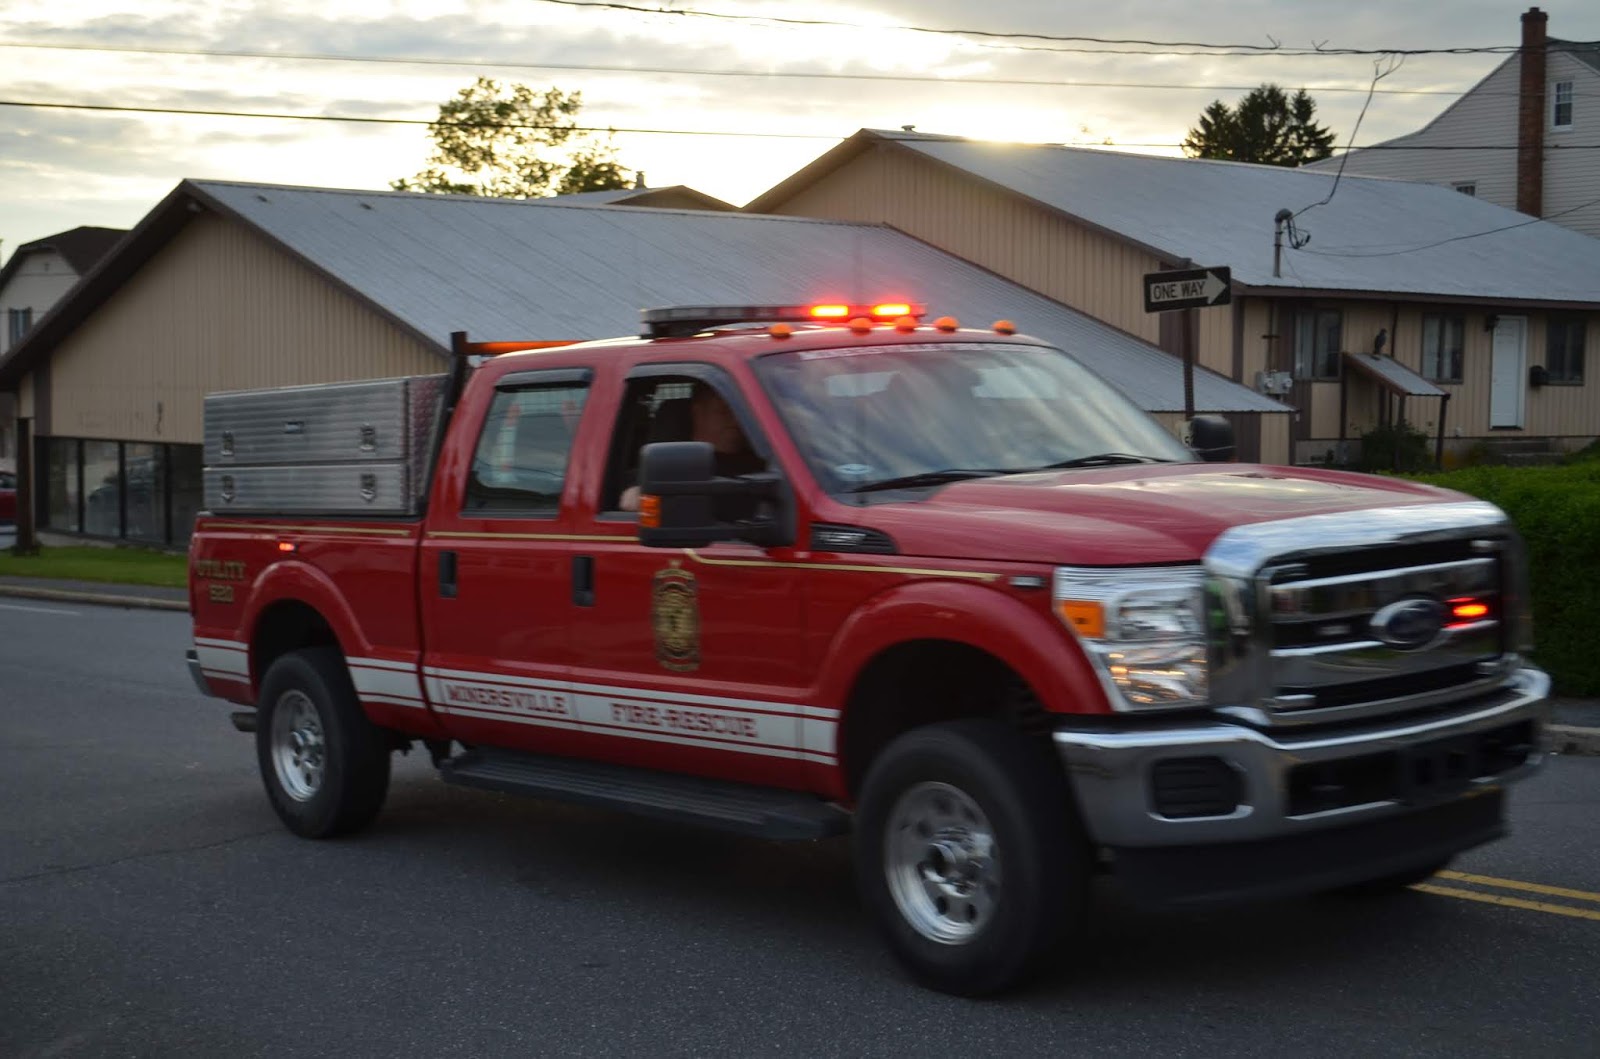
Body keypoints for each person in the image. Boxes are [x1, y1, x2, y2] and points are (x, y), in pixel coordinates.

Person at [620, 385, 764, 513]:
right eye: (723, 411)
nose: (734, 421)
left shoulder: (764, 459)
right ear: (697, 412)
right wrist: (639, 490)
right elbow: (632, 499)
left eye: (738, 413)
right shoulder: (670, 462)